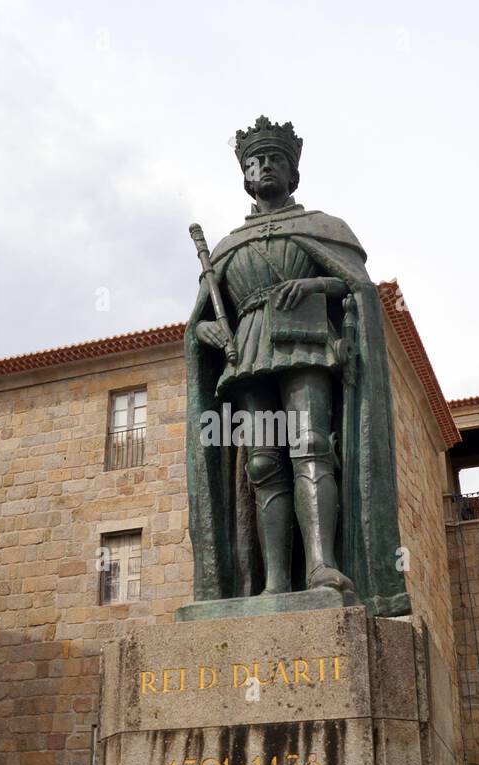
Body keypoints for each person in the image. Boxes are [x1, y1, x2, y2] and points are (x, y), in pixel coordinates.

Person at [185, 116, 410, 617]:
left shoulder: (322, 228)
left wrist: (313, 286)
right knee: (263, 463)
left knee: (311, 447)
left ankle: (321, 566)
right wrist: (209, 333)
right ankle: (276, 584)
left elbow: (358, 289)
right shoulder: (226, 247)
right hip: (248, 352)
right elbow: (199, 322)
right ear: (245, 174)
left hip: (306, 343)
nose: (264, 167)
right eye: (255, 161)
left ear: (292, 172)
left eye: (274, 160)